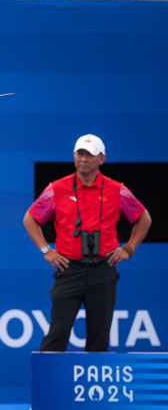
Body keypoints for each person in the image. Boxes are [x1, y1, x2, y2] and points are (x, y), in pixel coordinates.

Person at [23, 134, 152, 352]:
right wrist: (46, 250)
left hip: (104, 269)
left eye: (90, 155)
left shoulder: (116, 189)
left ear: (101, 159)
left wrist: (128, 249)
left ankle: (93, 385)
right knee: (58, 332)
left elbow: (144, 218)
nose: (84, 159)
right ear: (74, 156)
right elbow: (30, 219)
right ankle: (50, 384)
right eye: (80, 153)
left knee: (99, 335)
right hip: (69, 269)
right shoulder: (57, 188)